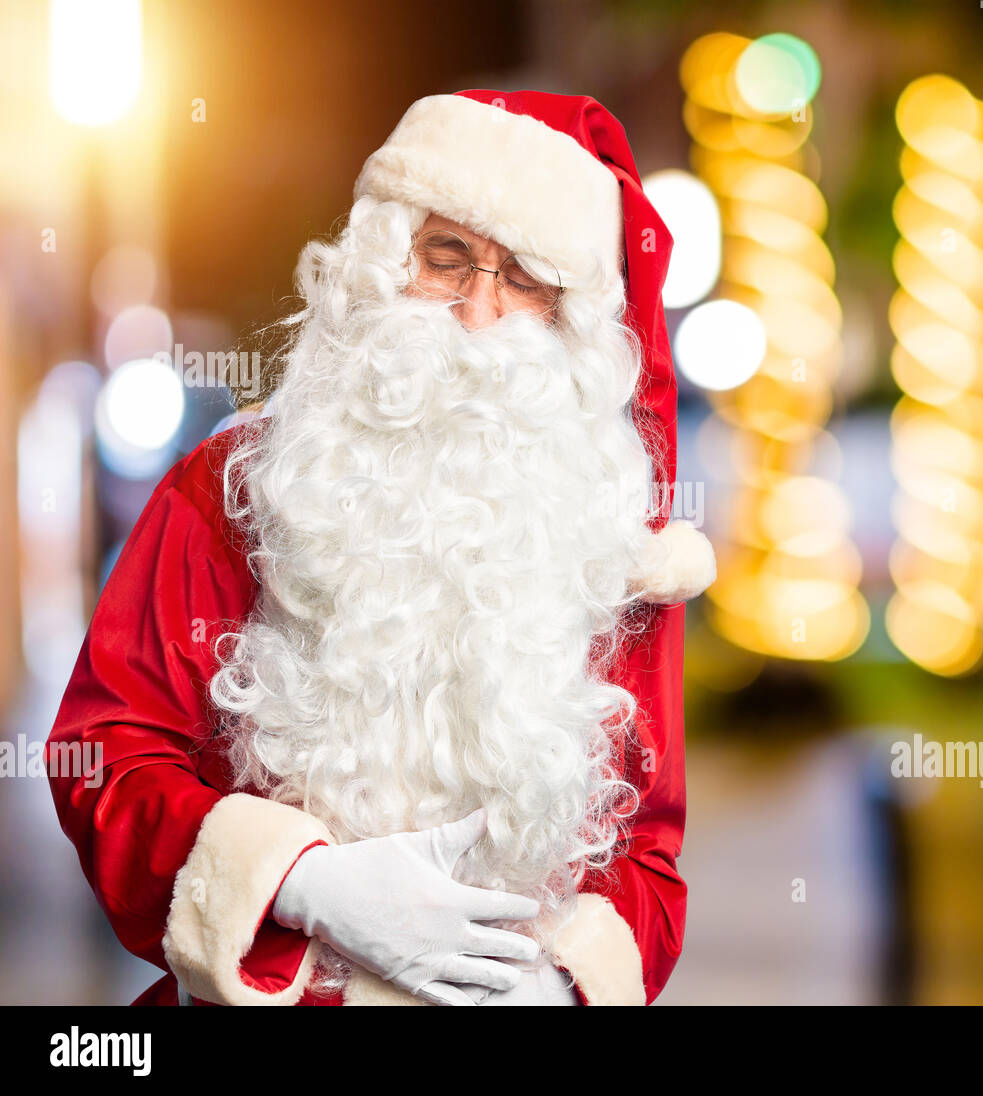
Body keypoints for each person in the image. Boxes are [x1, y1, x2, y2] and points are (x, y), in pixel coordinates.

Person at [44, 90, 715, 1006]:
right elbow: (105, 750)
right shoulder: (241, 481)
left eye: (524, 277)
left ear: (571, 318)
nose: (479, 312)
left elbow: (650, 853)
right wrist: (304, 885)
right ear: (383, 262)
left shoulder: (611, 549)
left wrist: (563, 989)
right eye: (448, 259)